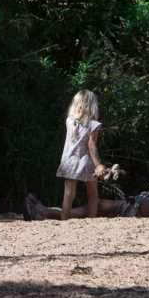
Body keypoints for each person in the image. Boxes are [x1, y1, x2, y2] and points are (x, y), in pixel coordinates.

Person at [44, 89, 111, 219]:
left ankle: (65, 218)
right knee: (92, 194)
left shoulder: (69, 121)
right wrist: (99, 165)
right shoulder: (93, 125)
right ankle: (91, 218)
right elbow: (91, 146)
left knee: (69, 193)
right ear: (92, 106)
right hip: (85, 161)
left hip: (68, 160)